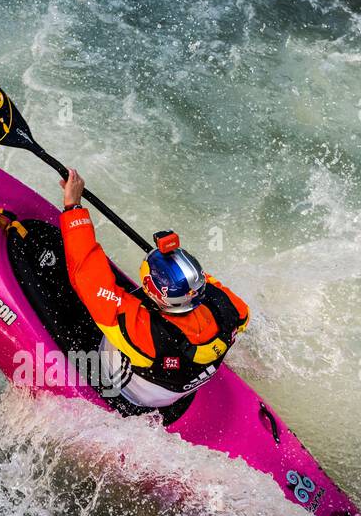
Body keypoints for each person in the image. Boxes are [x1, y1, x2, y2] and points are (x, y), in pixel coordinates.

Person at [58, 168, 250, 414]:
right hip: (177, 381)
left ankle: (110, 378)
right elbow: (229, 305)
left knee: (101, 310)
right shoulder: (232, 306)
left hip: (133, 390)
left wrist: (73, 207)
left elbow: (87, 277)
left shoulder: (142, 329)